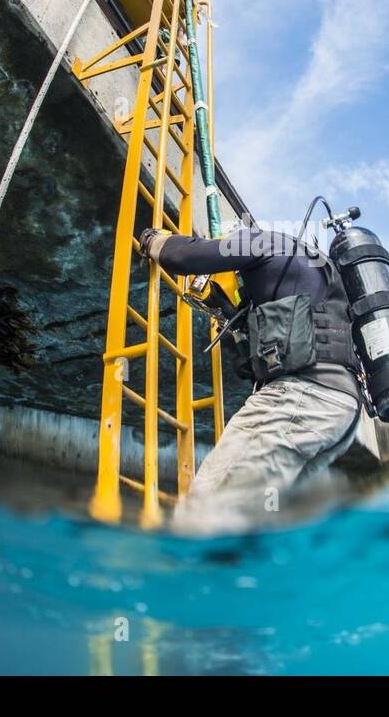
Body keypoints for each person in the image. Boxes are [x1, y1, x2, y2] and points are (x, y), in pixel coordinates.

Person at [138, 219, 364, 533]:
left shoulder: (262, 242)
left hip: (299, 401)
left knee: (210, 513)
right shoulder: (320, 274)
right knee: (264, 523)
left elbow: (189, 257)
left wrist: (153, 239)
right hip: (341, 417)